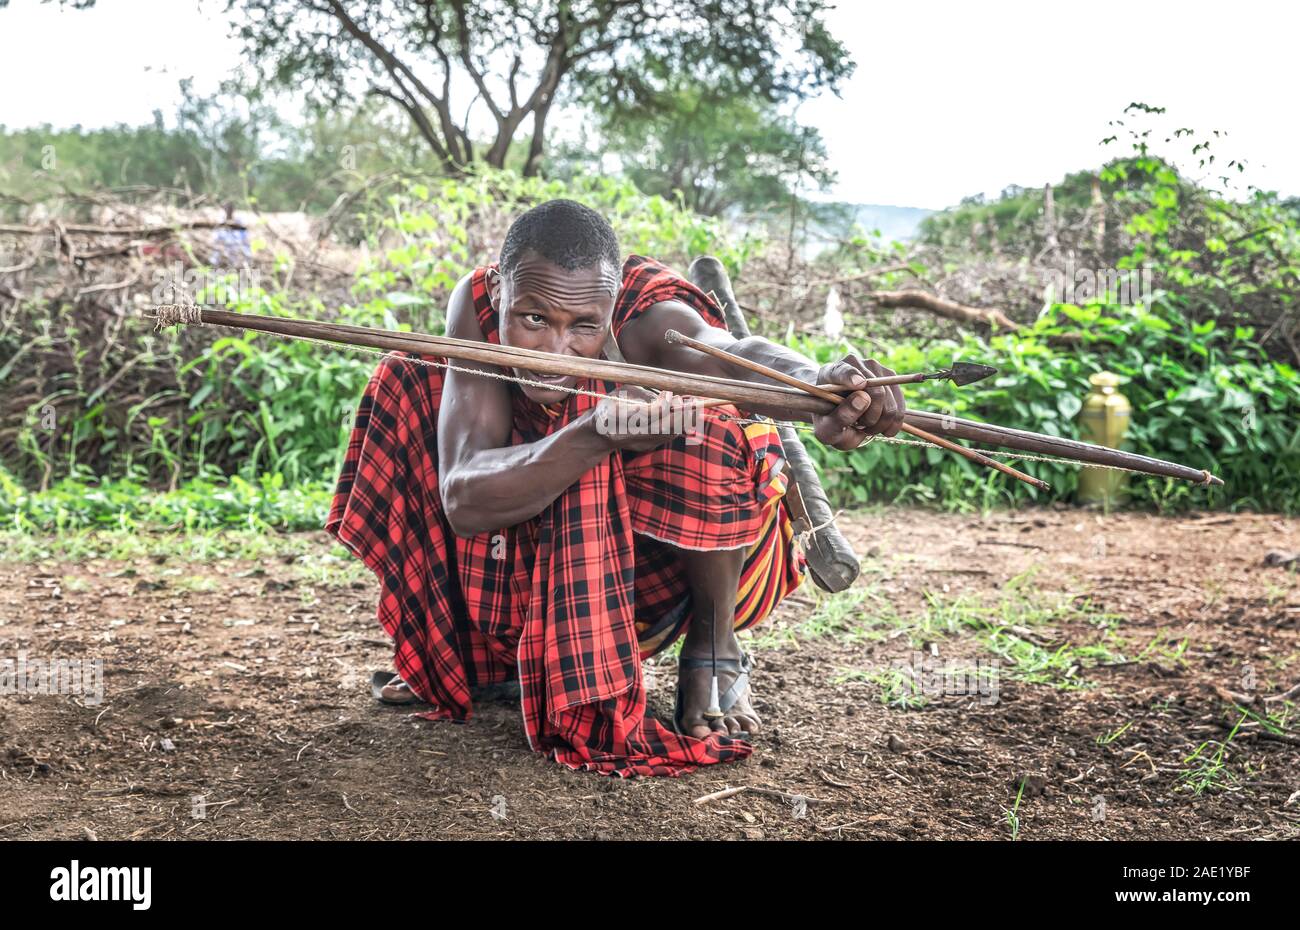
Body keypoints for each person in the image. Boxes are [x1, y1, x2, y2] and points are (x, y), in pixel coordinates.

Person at [327, 199, 905, 776]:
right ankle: (477, 654)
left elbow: (736, 356)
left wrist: (817, 385)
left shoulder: (650, 321)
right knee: (408, 377)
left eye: (583, 327)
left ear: (610, 309)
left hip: (643, 590)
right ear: (502, 290)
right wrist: (592, 433)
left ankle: (714, 649)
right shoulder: (475, 303)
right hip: (514, 557)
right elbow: (464, 497)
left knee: (715, 425)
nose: (555, 354)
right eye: (533, 320)